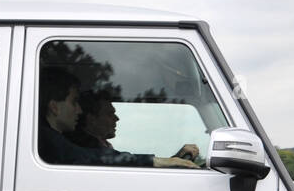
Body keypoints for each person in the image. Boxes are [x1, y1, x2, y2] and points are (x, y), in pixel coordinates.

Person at [36, 68, 198, 168]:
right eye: (74, 102)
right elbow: (93, 158)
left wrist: (168, 161)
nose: (79, 110)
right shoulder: (46, 141)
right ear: (54, 107)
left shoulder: (56, 140)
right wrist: (155, 161)